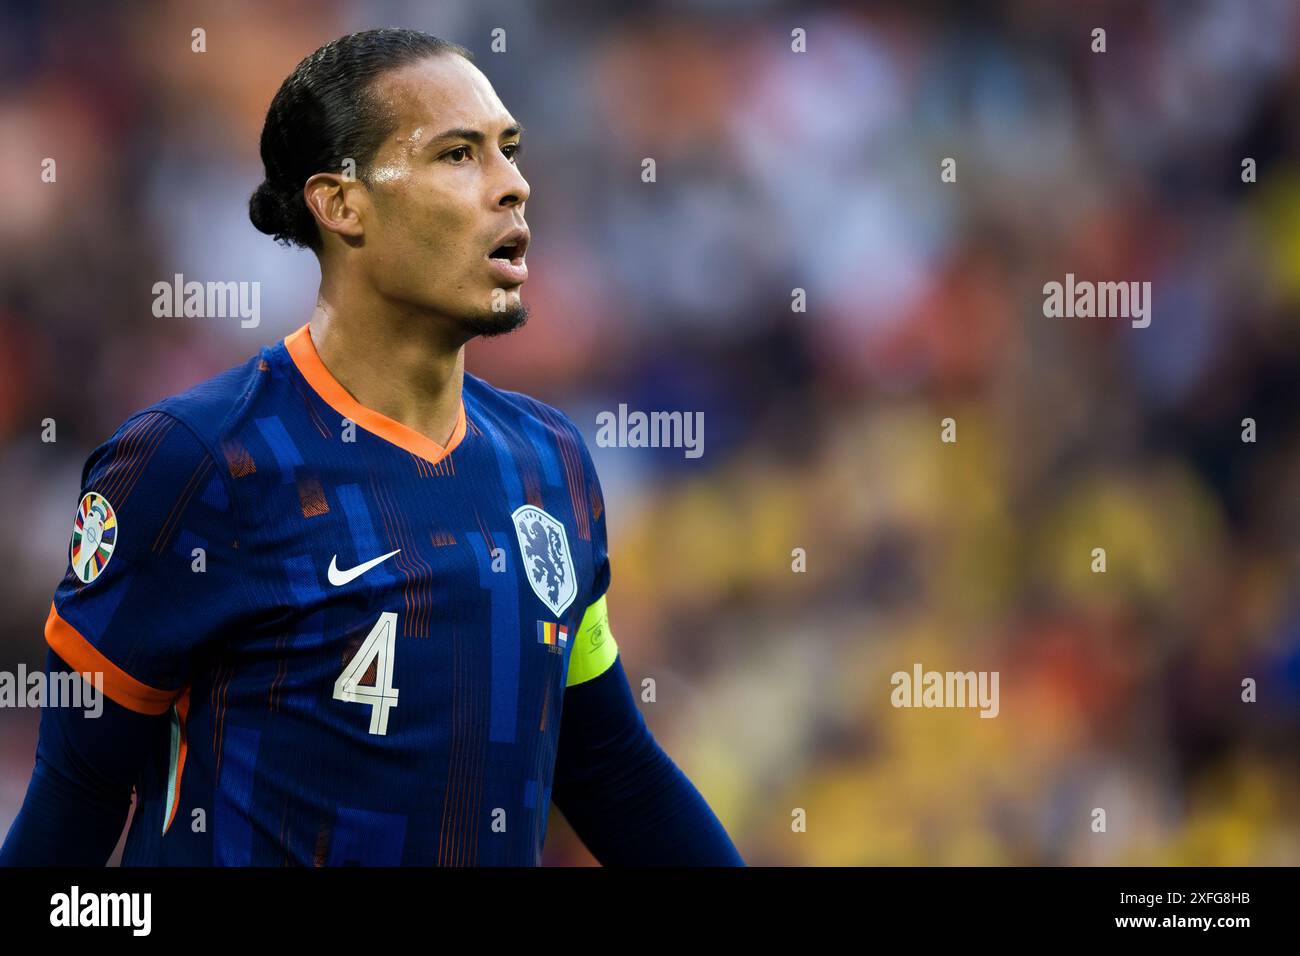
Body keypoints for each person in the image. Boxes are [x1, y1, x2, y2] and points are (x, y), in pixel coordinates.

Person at [0, 28, 743, 866]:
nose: (513, 186)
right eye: (459, 156)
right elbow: (78, 797)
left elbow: (612, 770)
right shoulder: (198, 462)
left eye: (511, 151)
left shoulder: (552, 465)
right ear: (341, 203)